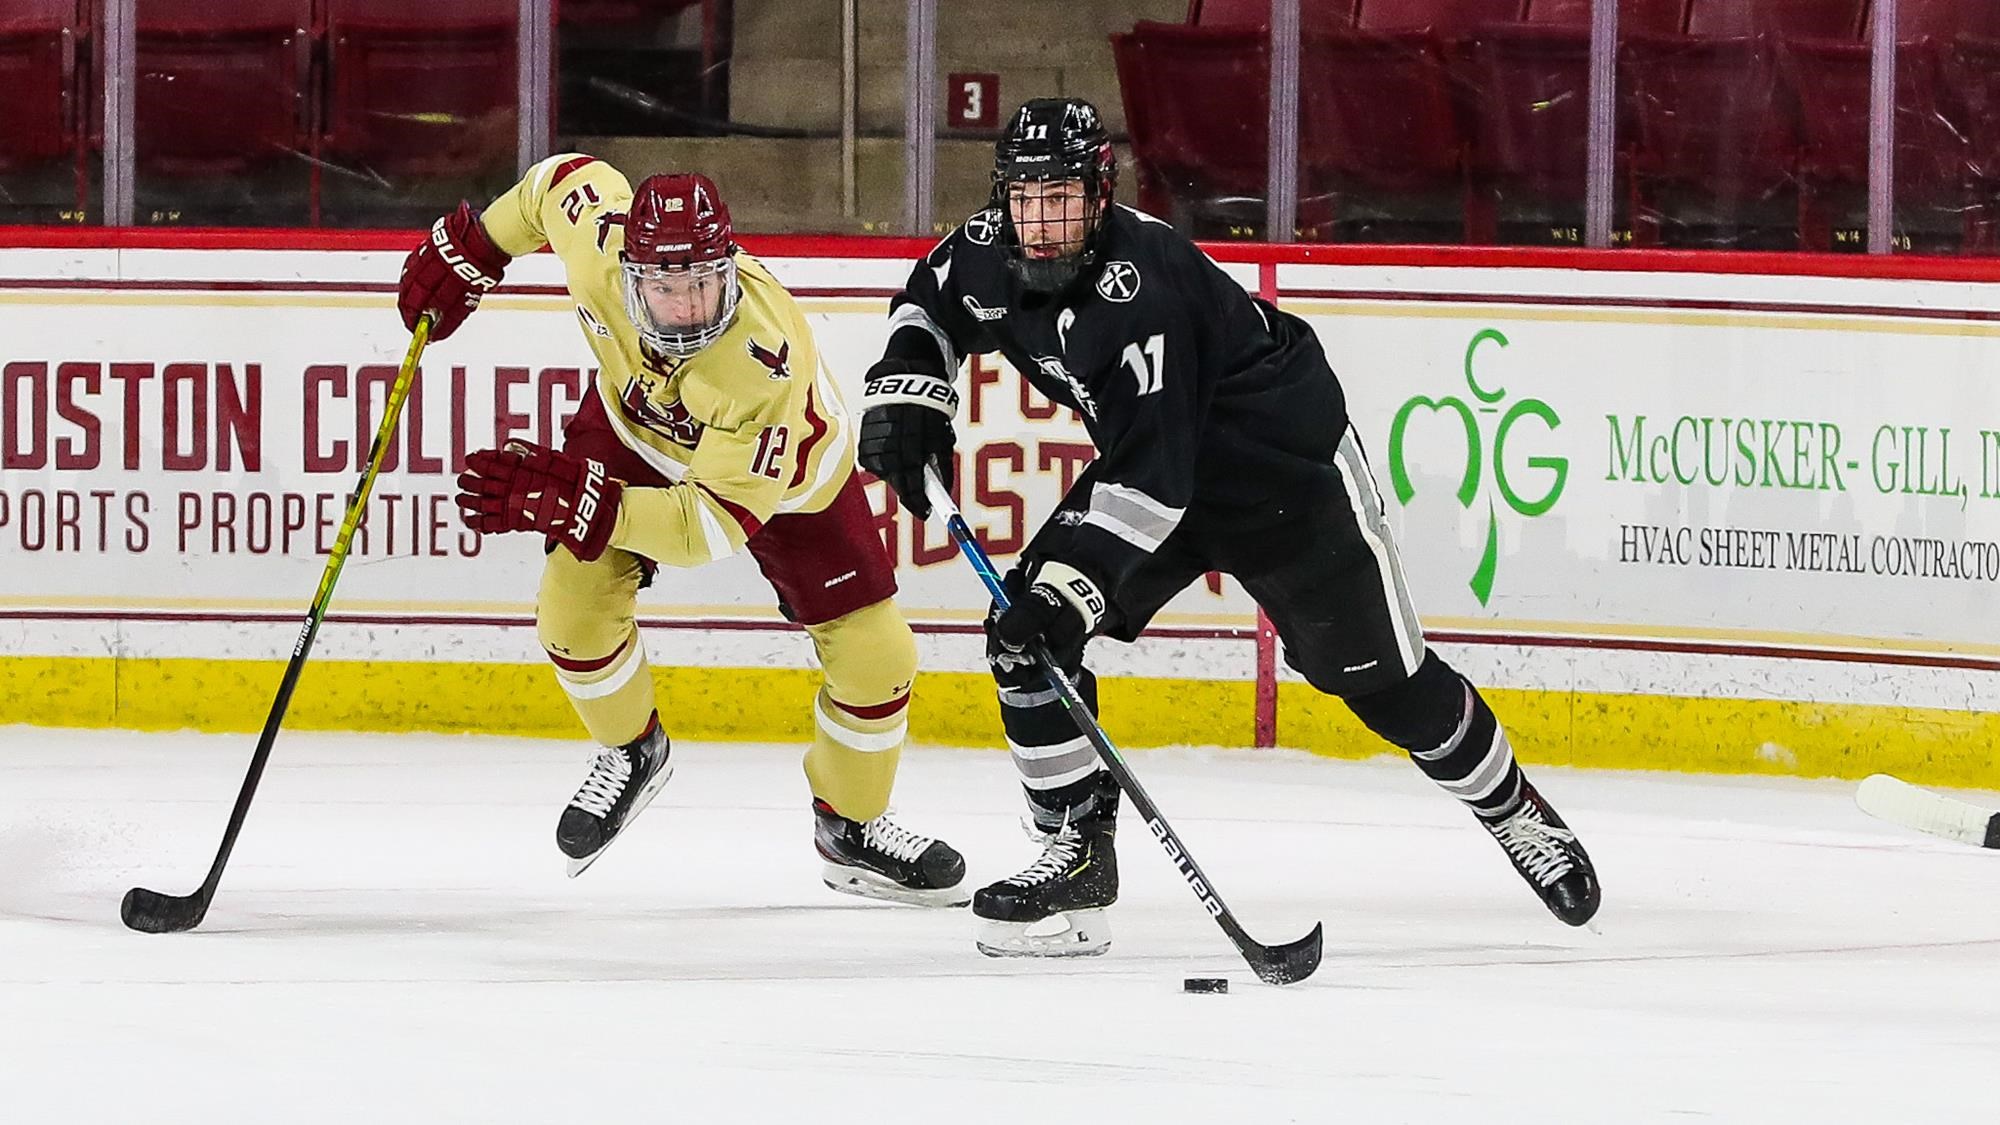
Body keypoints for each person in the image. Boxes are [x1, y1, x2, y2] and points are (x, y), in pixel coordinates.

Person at [858, 99, 1600, 957]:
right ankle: (1077, 856)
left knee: (1387, 686)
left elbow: (1152, 480)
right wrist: (910, 390)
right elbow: (928, 302)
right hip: (1160, 462)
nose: (1042, 221)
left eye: (1060, 198)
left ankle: (1511, 807)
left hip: (1284, 476)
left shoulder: (1145, 285)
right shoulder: (994, 248)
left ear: (1099, 195)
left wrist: (1070, 589)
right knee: (1023, 634)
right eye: (1025, 198)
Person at [397, 156, 967, 905]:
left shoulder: (762, 367)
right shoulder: (601, 245)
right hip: (636, 433)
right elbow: (556, 182)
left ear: (728, 270)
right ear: (630, 274)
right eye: (666, 288)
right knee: (572, 605)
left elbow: (706, 527)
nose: (689, 306)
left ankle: (851, 826)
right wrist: (478, 248)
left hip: (786, 478)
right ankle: (634, 750)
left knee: (877, 655)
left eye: (704, 282)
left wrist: (582, 503)